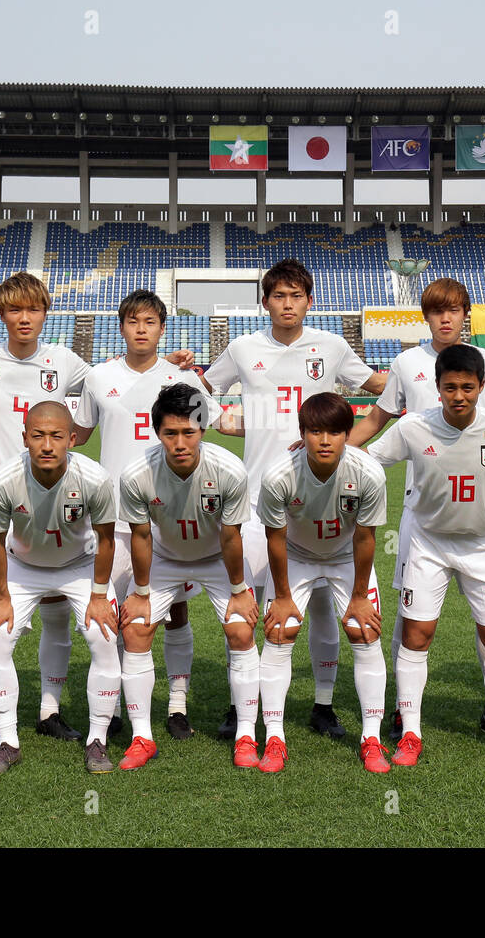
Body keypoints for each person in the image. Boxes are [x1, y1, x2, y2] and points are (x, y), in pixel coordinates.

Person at [202, 257, 386, 742]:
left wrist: (423, 373)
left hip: (322, 491)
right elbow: (202, 390)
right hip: (256, 491)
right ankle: (242, 704)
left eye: (296, 295)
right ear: (265, 302)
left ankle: (322, 704)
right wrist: (226, 420)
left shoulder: (331, 346)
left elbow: (377, 388)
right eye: (278, 295)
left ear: (310, 301)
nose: (287, 304)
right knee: (250, 604)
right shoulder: (242, 348)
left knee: (325, 607)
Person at [348, 277, 485, 742]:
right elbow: (377, 419)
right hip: (423, 512)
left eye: (454, 310)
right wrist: (331, 448)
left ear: (465, 313)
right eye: (437, 311)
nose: (446, 318)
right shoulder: (406, 363)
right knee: (412, 619)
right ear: (426, 316)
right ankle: (403, 710)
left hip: (477, 514)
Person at [367, 345, 485, 768]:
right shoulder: (413, 427)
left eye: (467, 387)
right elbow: (371, 459)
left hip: (483, 546)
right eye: (450, 387)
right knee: (416, 637)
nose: (459, 395)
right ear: (436, 388)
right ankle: (411, 733)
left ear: (482, 387)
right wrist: (320, 453)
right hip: (427, 546)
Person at [0, 271, 94, 750]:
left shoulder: (65, 362)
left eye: (33, 309)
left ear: (45, 312)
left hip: (50, 511)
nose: (24, 318)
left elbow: (110, 389)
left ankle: (49, 709)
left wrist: (167, 366)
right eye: (14, 309)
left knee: (54, 614)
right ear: (1, 314)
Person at [73, 290, 219, 740]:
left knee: (175, 613)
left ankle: (176, 706)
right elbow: (77, 434)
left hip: (173, 515)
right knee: (120, 614)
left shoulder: (182, 379)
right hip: (116, 515)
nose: (141, 328)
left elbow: (204, 430)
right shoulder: (99, 377)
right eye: (133, 321)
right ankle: (115, 706)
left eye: (150, 321)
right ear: (121, 326)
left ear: (162, 328)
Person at [116, 384, 260, 770]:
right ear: (155, 431)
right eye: (170, 433)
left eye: (188, 432)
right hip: (165, 558)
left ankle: (246, 734)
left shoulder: (229, 470)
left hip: (216, 558)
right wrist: (142, 592)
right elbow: (141, 535)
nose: (180, 443)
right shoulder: (136, 474)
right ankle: (141, 737)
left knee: (241, 629)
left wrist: (239, 590)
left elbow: (231, 536)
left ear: (203, 429)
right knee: (136, 629)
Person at [0, 401, 122, 776]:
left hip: (79, 565)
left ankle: (98, 741)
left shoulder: (95, 478)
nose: (46, 445)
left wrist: (99, 596)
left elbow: (107, 539)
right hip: (23, 567)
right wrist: (1, 598)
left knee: (103, 634)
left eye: (56, 436)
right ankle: (7, 743)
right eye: (38, 436)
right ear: (24, 437)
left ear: (72, 439)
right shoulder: (3, 480)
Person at [256, 393, 390, 773]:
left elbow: (365, 538)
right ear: (302, 434)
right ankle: (276, 737)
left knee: (363, 631)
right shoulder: (278, 474)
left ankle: (372, 739)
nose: (325, 440)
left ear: (349, 434)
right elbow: (275, 538)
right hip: (297, 554)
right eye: (316, 431)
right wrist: (281, 596)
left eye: (334, 431)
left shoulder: (368, 473)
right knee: (280, 630)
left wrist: (361, 596)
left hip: (346, 556)